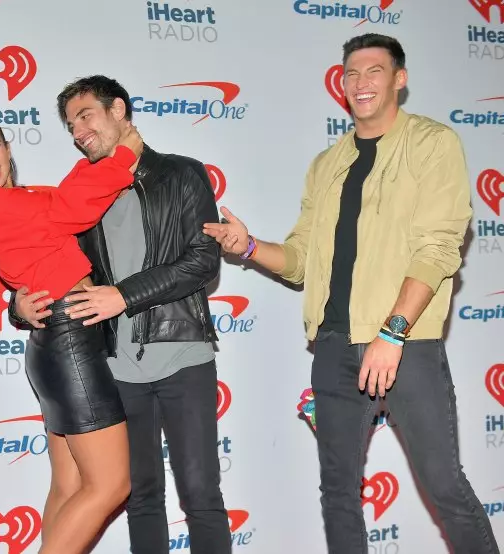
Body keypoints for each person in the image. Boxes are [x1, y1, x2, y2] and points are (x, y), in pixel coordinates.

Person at [203, 33, 500, 554]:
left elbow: (437, 248)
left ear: (399, 80)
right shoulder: (327, 164)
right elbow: (299, 261)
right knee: (337, 494)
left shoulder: (433, 144)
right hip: (334, 348)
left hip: (404, 347)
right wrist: (247, 245)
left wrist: (393, 331)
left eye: (374, 71)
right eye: (352, 74)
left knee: (444, 486)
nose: (361, 83)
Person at [11, 75, 232, 554]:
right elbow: (48, 262)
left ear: (118, 109)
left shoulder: (181, 173)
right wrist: (18, 305)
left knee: (201, 496)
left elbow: (202, 261)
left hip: (182, 355)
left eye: (85, 116)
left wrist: (123, 296)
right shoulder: (80, 191)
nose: (77, 132)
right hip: (113, 364)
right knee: (141, 496)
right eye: (70, 125)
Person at [0, 103, 143, 554]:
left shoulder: (27, 197)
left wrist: (16, 304)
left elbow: (66, 202)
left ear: (8, 149)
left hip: (60, 339)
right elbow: (74, 206)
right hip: (68, 339)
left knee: (70, 488)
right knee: (112, 484)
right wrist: (122, 156)